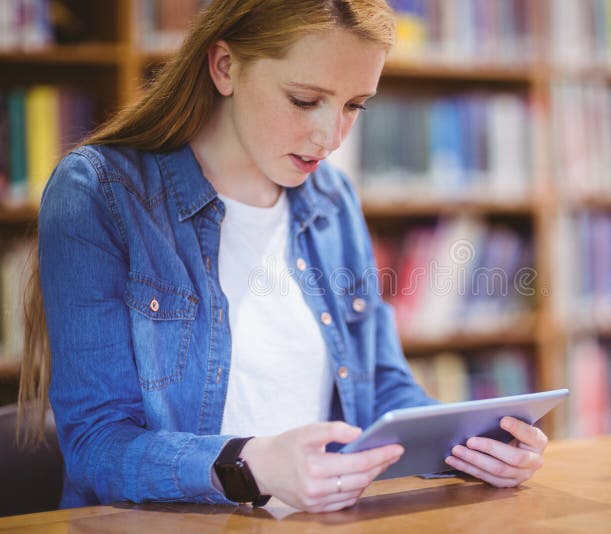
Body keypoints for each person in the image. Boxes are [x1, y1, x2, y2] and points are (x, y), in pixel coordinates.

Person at [19, 0, 548, 513]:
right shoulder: (101, 192)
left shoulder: (333, 199)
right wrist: (253, 465)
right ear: (225, 67)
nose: (331, 137)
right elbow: (97, 445)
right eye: (304, 99)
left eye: (353, 106)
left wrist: (475, 445)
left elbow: (382, 385)